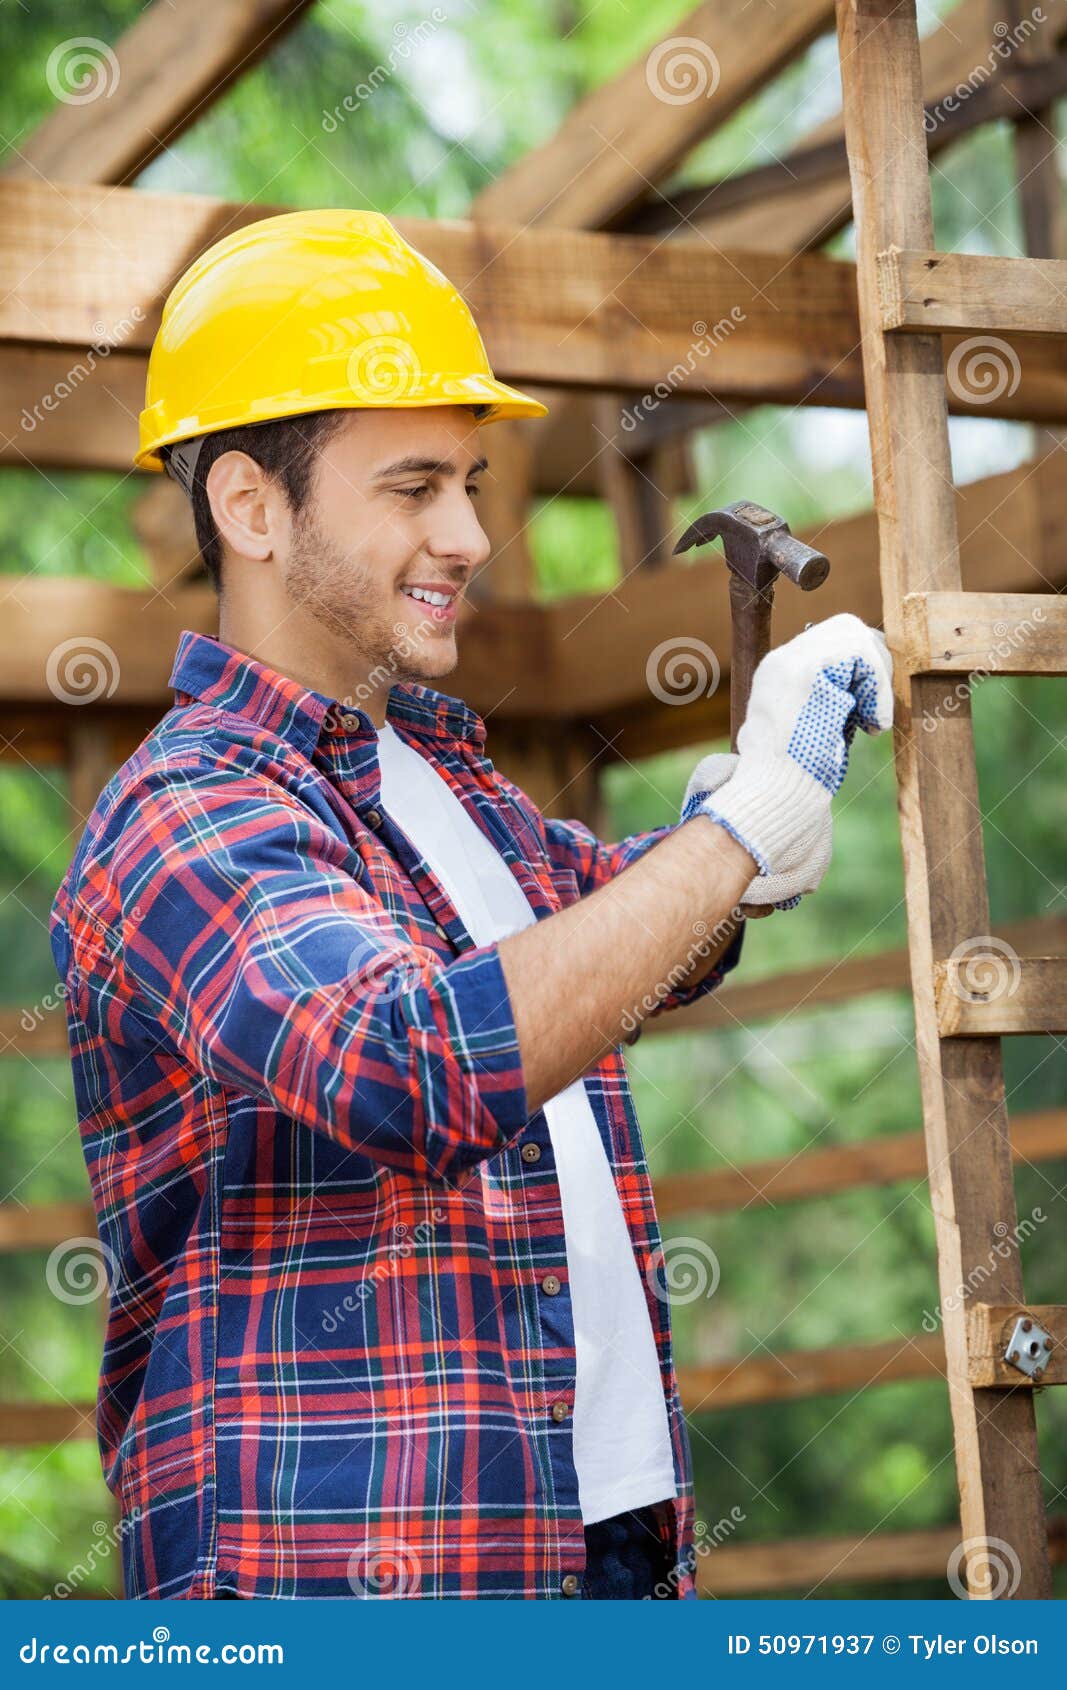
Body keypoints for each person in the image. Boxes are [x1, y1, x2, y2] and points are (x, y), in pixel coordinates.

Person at [49, 209, 892, 1600]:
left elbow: (616, 923)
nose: (472, 533)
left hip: (597, 1531)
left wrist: (747, 821)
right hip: (348, 1581)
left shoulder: (439, 772)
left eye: (476, 481)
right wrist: (742, 831)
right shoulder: (187, 813)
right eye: (416, 485)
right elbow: (411, 1061)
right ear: (251, 507)